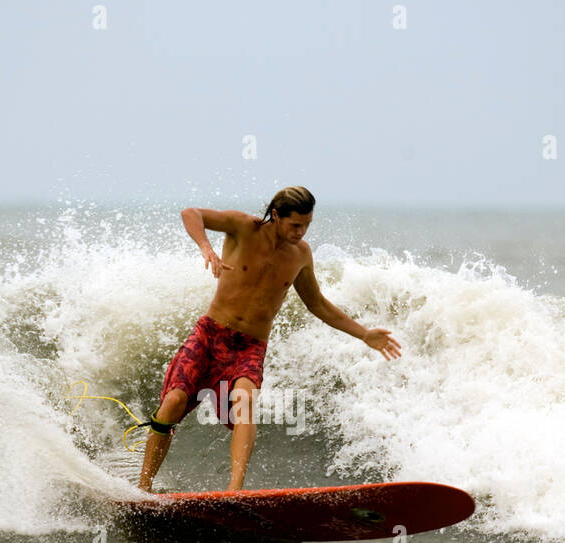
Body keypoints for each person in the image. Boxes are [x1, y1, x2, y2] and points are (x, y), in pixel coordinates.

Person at [137, 186, 402, 492]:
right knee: (173, 402)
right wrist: (206, 248)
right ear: (276, 215)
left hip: (249, 348)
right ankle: (143, 488)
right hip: (210, 334)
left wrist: (364, 333)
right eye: (295, 225)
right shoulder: (243, 227)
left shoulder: (300, 255)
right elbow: (190, 213)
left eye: (306, 225)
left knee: (245, 401)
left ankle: (234, 491)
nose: (301, 232)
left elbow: (317, 304)